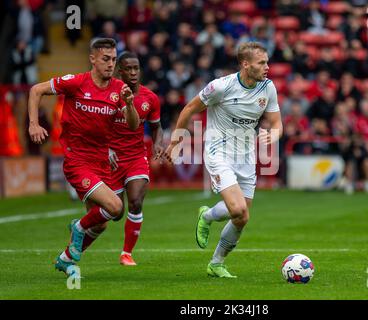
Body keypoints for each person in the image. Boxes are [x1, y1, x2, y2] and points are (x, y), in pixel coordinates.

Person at [162, 42, 283, 278]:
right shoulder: (220, 87)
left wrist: (274, 134)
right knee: (237, 208)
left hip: (247, 156)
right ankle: (206, 217)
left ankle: (216, 262)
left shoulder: (268, 88)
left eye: (267, 62)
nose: (267, 67)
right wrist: (175, 143)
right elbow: (188, 109)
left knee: (242, 217)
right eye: (262, 63)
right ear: (246, 64)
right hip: (219, 153)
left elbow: (277, 122)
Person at [27, 38, 139, 278]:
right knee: (116, 207)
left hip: (102, 161)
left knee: (101, 222)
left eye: (113, 60)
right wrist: (34, 124)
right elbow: (36, 90)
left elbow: (133, 125)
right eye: (105, 59)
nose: (111, 64)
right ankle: (77, 227)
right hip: (77, 160)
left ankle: (66, 259)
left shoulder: (119, 89)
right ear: (93, 59)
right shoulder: (76, 82)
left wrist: (129, 105)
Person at [81, 51, 163, 266]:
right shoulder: (107, 94)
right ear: (120, 71)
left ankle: (126, 253)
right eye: (128, 68)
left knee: (136, 202)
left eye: (136, 68)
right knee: (113, 213)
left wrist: (158, 143)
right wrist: (105, 148)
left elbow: (156, 127)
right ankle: (76, 242)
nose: (134, 72)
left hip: (136, 157)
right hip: (111, 161)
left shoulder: (150, 98)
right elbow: (94, 126)